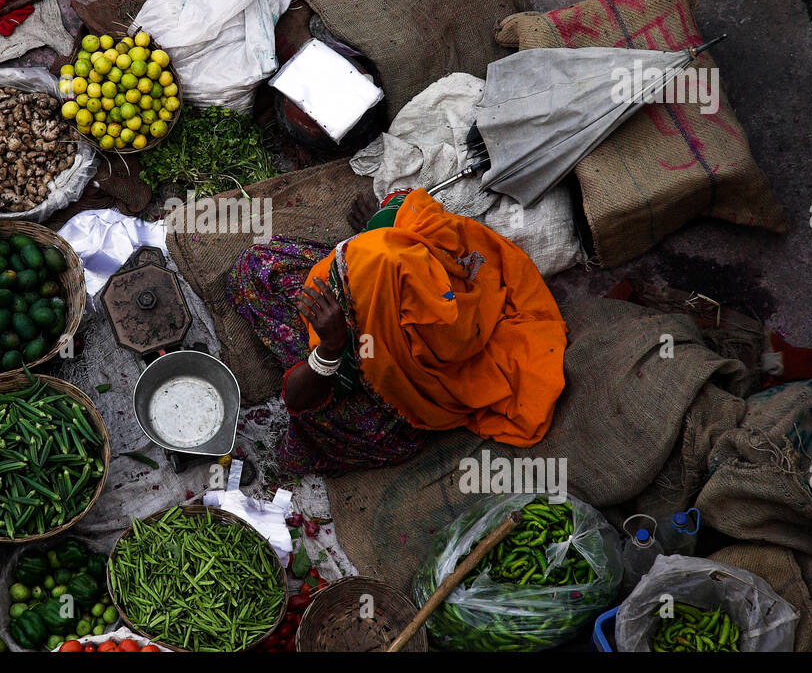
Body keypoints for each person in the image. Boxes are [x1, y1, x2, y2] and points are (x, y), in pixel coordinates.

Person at [227, 187, 567, 475]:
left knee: (318, 419)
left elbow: (298, 399)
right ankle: (351, 279)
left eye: (347, 286)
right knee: (257, 264)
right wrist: (377, 228)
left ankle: (320, 369)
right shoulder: (428, 240)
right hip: (372, 325)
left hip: (397, 398)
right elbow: (406, 204)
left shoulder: (401, 340)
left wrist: (330, 349)